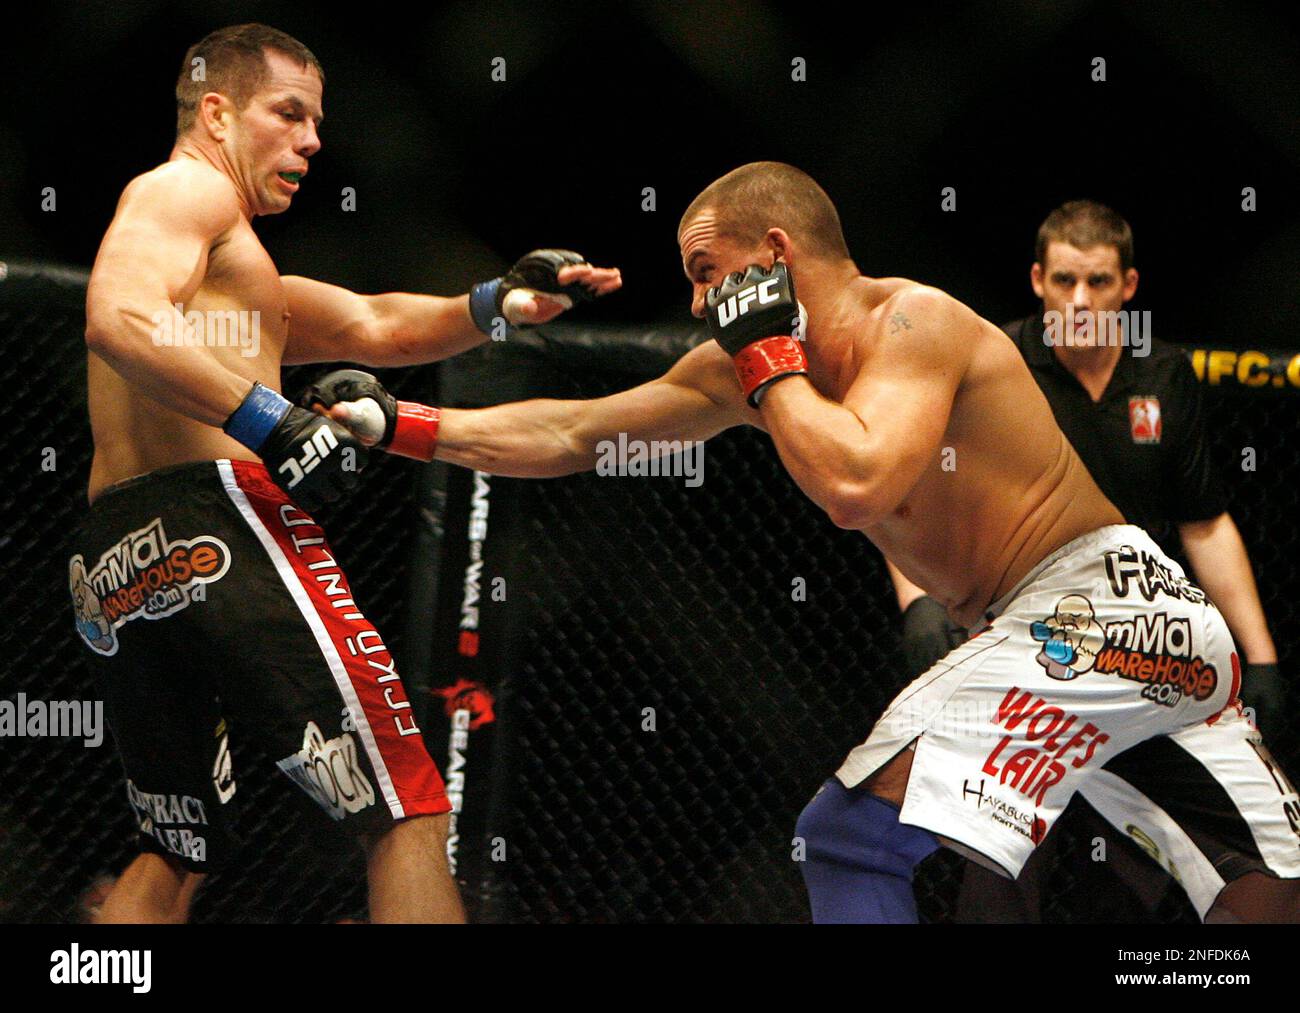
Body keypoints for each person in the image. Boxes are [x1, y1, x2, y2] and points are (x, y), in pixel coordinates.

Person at [304, 161, 1300, 923]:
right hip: (1140, 634)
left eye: (707, 272)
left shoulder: (913, 321)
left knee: (850, 838)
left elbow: (857, 482)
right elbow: (574, 432)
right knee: (1259, 888)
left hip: (1087, 610)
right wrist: (406, 426)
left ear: (771, 255)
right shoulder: (737, 367)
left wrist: (771, 359)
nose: (698, 301)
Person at [71, 22, 619, 924]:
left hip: (119, 563)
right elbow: (118, 319)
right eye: (288, 114)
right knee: (405, 804)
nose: (313, 141)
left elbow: (374, 325)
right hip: (218, 522)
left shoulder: (231, 265)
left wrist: (500, 303)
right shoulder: (181, 193)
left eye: (317, 121)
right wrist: (268, 418)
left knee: (177, 843)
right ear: (216, 111)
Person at [890, 199, 1286, 921]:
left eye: (1099, 281)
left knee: (1143, 866)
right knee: (999, 856)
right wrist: (917, 600)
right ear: (1038, 279)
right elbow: (915, 494)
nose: (1080, 300)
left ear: (1127, 286)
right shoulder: (995, 368)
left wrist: (1259, 657)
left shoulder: (1162, 376)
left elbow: (1205, 523)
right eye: (1065, 280)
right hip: (1026, 647)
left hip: (1143, 653)